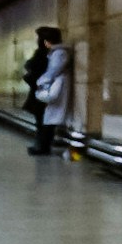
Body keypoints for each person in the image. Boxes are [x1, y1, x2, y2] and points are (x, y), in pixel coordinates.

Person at [32, 26, 74, 157]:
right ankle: (43, 147)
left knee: (50, 119)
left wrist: (41, 82)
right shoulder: (59, 53)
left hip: (57, 86)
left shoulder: (59, 54)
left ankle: (44, 147)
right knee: (50, 118)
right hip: (58, 85)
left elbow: (53, 71)